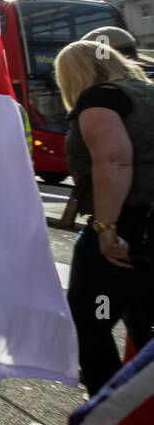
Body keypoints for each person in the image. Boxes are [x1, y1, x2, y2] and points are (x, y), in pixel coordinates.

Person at [55, 39, 154, 395]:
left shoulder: (99, 99)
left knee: (88, 321)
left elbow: (114, 160)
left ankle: (106, 408)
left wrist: (107, 228)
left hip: (125, 222)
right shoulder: (147, 92)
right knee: (143, 323)